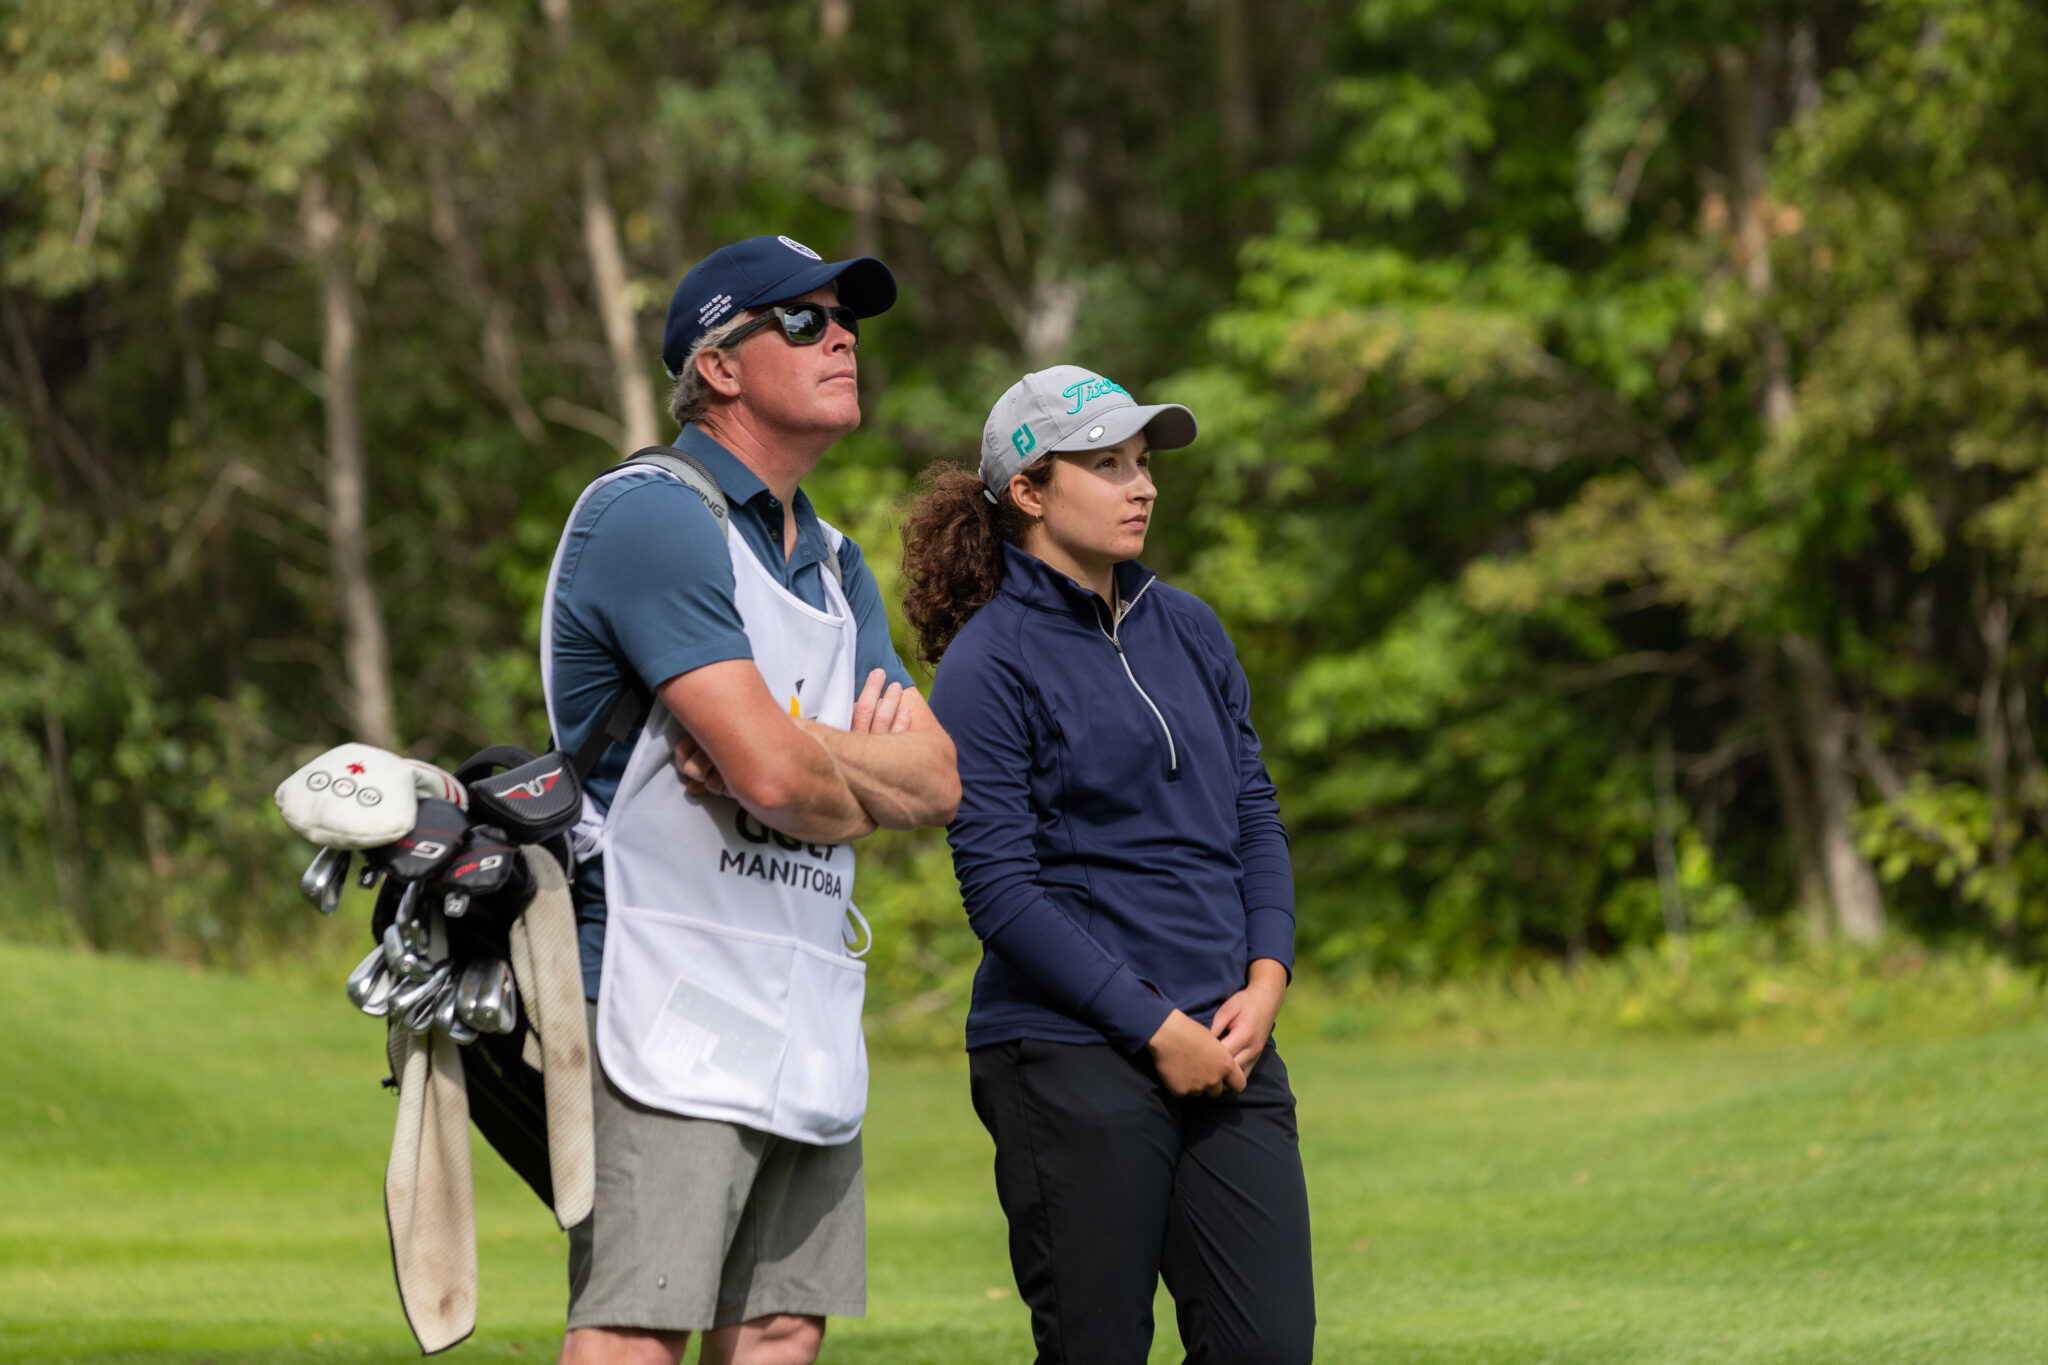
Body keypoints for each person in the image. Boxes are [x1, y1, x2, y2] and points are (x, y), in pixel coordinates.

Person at [539, 233, 960, 1365]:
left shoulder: (833, 557)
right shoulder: (651, 515)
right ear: (719, 366)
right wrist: (816, 772)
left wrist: (785, 750)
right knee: (637, 1326)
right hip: (658, 987)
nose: (842, 340)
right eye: (804, 321)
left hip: (801, 991)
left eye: (846, 321)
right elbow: (780, 781)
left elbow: (937, 779)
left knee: (780, 1328)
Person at [903, 366, 1316, 1365]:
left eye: (1142, 462)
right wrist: (1153, 1027)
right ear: (1029, 492)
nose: (1143, 486)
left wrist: (1266, 977)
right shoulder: (988, 662)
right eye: (1107, 465)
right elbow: (1000, 893)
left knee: (1267, 1346)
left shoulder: (1191, 628)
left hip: (1227, 1039)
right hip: (1068, 1050)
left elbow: (1253, 815)